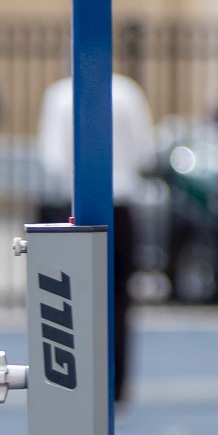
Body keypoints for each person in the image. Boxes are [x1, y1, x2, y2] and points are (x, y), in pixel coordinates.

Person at [39, 72, 157, 404]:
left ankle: (73, 385)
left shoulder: (60, 95)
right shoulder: (127, 92)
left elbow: (53, 160)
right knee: (119, 300)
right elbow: (145, 152)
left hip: (74, 206)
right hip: (119, 204)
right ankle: (116, 386)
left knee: (69, 302)